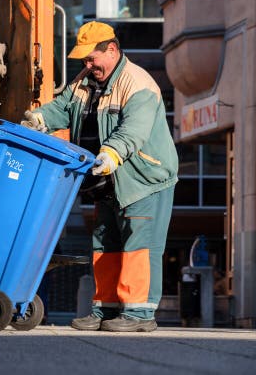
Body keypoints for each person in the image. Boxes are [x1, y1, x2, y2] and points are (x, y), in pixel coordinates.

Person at [22, 21, 178, 332]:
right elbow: (63, 108)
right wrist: (39, 118)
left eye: (92, 58)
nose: (88, 65)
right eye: (84, 59)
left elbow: (133, 129)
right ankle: (105, 309)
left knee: (139, 245)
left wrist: (112, 154)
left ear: (112, 50)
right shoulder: (85, 81)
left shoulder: (138, 83)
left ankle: (139, 315)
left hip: (143, 179)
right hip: (107, 179)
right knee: (105, 243)